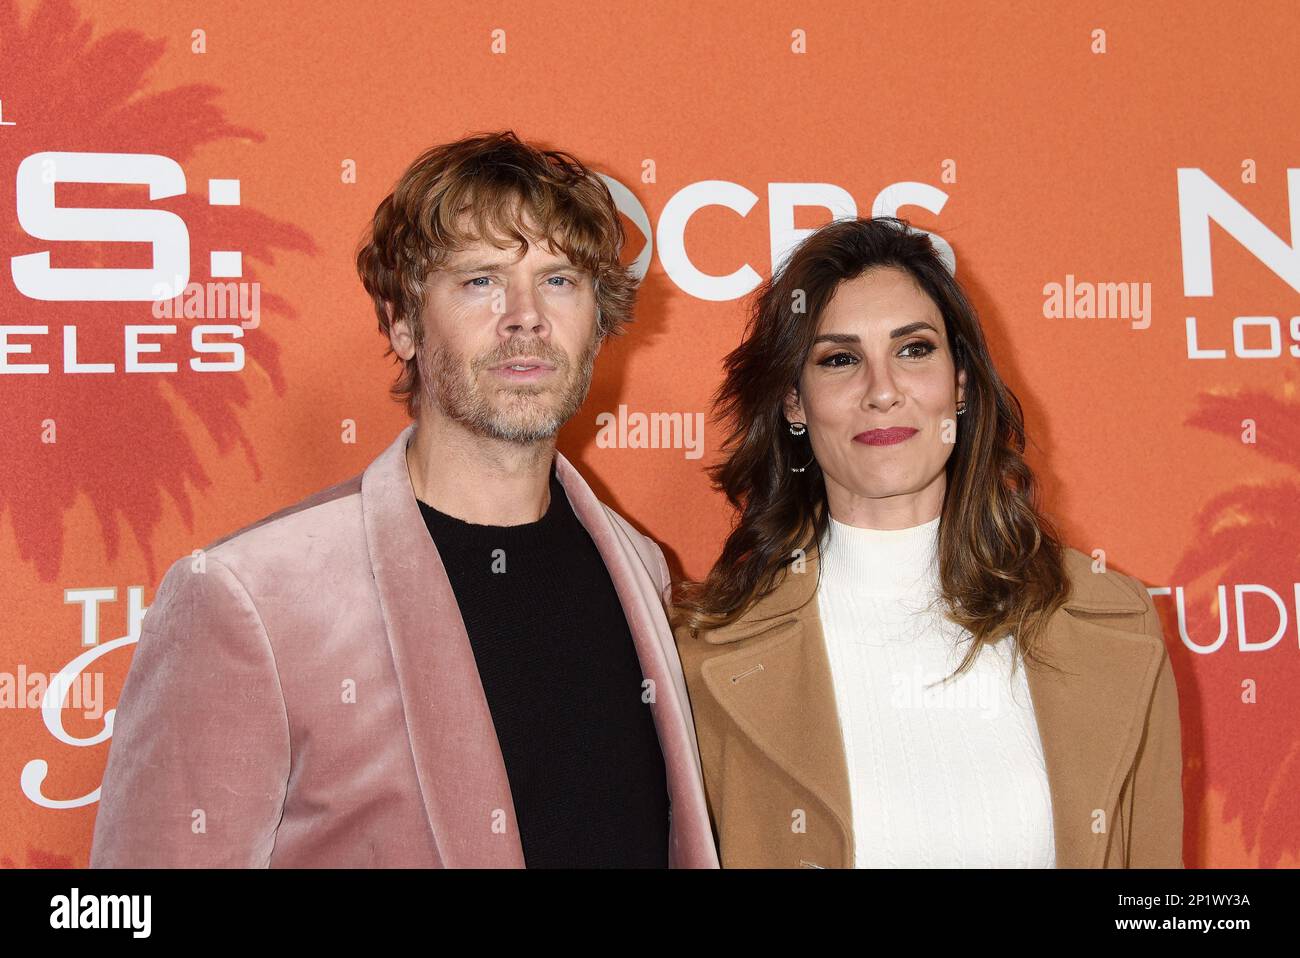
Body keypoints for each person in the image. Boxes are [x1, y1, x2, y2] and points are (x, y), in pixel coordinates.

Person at [90, 130, 718, 869]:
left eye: (559, 281)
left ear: (598, 321)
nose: (526, 316)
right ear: (402, 323)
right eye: (480, 280)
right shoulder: (249, 595)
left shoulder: (639, 568)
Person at [671, 216, 1184, 868]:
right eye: (840, 359)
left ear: (960, 384)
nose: (883, 391)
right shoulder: (703, 658)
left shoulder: (1112, 624)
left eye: (914, 350)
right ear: (794, 404)